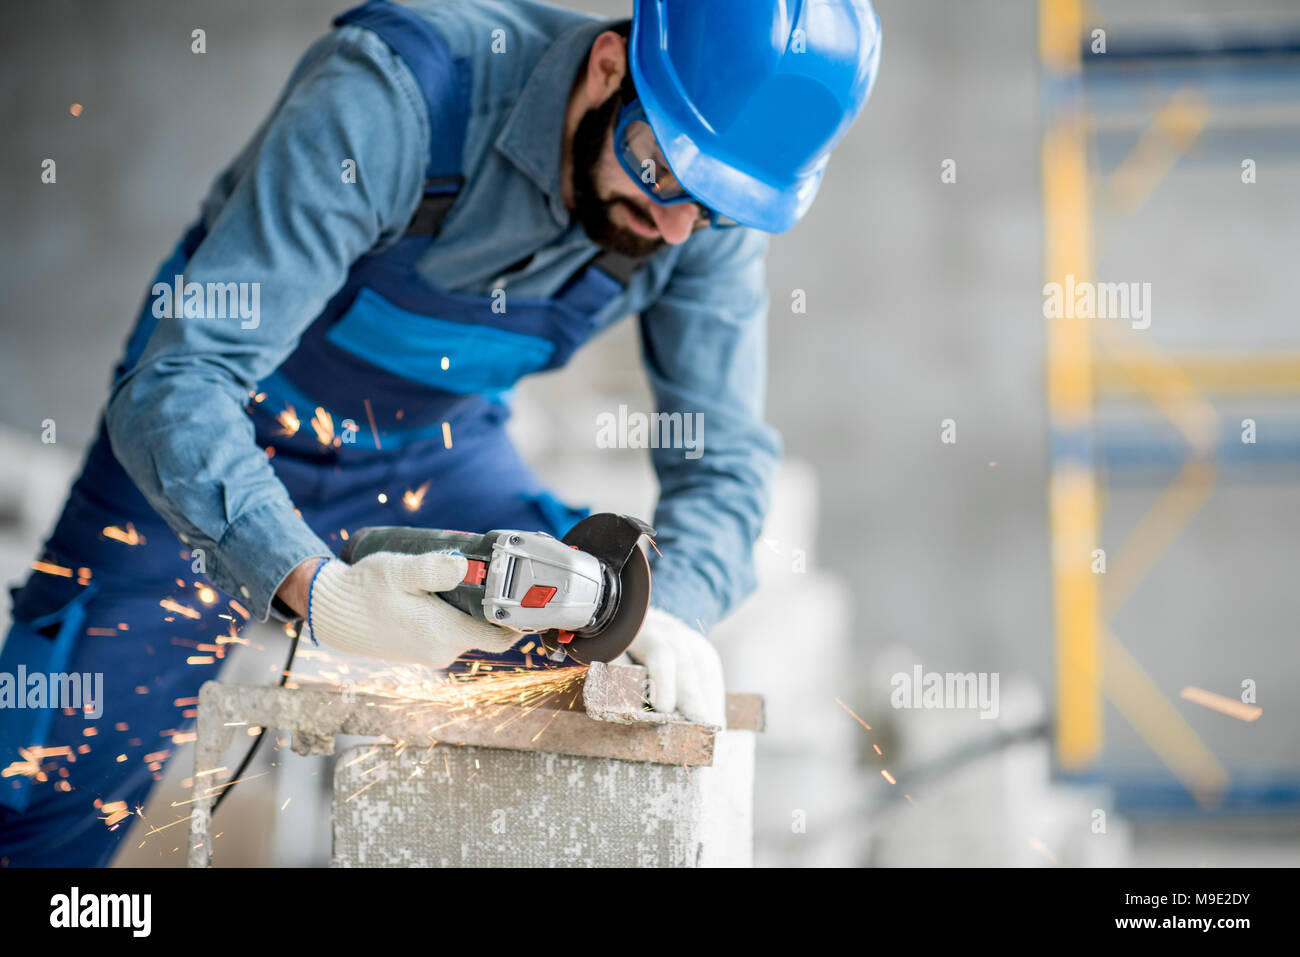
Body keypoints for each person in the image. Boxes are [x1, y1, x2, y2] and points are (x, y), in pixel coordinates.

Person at [0, 0, 881, 866]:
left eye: (716, 207)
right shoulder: (400, 95)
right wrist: (318, 589)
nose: (676, 225)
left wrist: (660, 610)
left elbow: (723, 469)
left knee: (582, 653)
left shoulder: (709, 206)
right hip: (210, 441)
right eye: (660, 171)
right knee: (48, 777)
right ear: (610, 68)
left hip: (432, 455)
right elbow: (178, 385)